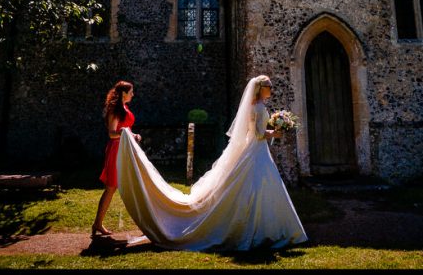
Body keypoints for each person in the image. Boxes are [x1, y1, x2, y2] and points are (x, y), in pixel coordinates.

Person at [116, 75, 308, 251]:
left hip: (254, 150)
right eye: (269, 87)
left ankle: (260, 227)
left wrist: (272, 128)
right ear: (261, 88)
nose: (272, 90)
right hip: (256, 151)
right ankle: (263, 229)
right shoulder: (258, 107)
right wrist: (275, 132)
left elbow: (253, 132)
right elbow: (258, 134)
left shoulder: (253, 106)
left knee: (258, 186)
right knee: (260, 185)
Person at [91, 80, 141, 238]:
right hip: (116, 151)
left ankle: (146, 222)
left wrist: (133, 135)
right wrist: (129, 134)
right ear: (124, 93)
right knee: (111, 187)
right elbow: (112, 133)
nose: (133, 94)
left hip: (126, 150)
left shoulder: (125, 107)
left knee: (136, 184)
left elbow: (124, 129)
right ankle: (98, 223)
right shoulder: (114, 109)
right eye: (131, 91)